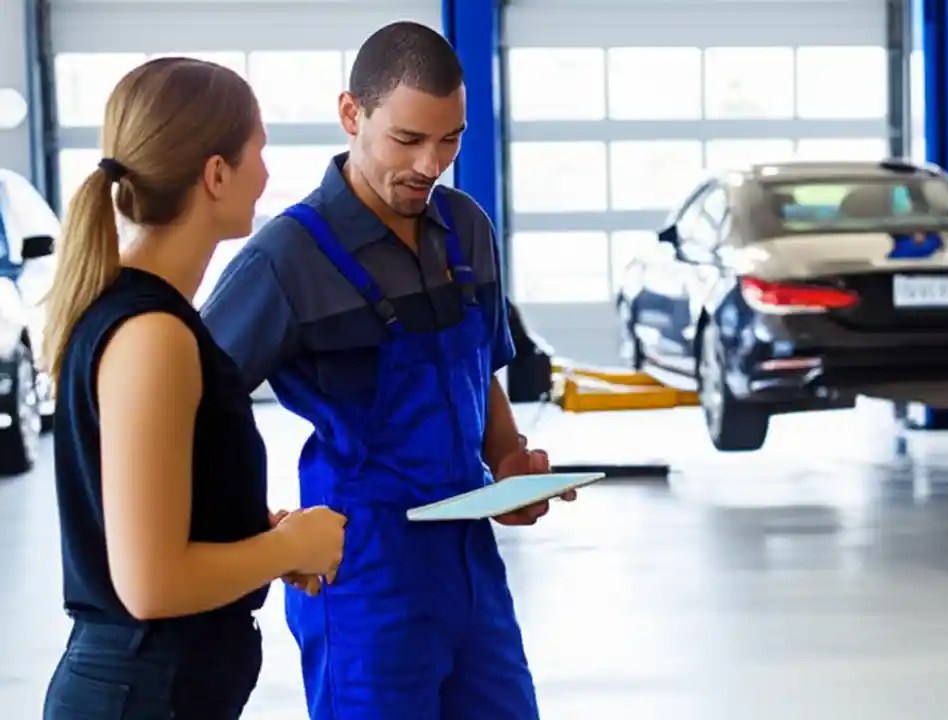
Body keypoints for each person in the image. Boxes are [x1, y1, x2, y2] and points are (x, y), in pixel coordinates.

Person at [200, 21, 570, 720]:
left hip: (470, 561)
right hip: (363, 570)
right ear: (351, 114)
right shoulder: (285, 259)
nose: (432, 164)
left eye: (450, 139)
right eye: (408, 139)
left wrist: (510, 462)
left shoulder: (466, 229)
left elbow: (478, 368)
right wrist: (259, 534)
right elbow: (187, 411)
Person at [40, 57, 347, 720]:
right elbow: (150, 584)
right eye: (258, 150)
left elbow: (157, 525)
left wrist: (252, 537)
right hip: (142, 694)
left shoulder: (143, 317)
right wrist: (289, 548)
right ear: (215, 174)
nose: (266, 175)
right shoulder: (153, 334)